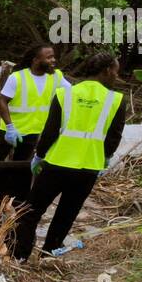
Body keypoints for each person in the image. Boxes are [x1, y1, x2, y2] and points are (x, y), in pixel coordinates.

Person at [12, 52, 125, 260]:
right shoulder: (116, 100)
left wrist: (39, 155)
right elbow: (113, 137)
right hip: (88, 168)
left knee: (32, 211)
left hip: (56, 164)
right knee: (66, 214)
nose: (116, 76)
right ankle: (48, 254)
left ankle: (20, 256)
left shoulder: (65, 94)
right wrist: (105, 157)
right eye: (115, 71)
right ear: (107, 70)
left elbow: (50, 131)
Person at [0, 45, 66, 162]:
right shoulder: (17, 77)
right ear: (35, 60)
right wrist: (10, 128)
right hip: (11, 130)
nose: (53, 60)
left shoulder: (56, 76)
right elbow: (2, 101)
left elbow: (72, 92)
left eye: (53, 57)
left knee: (20, 167)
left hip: (33, 132)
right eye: (49, 57)